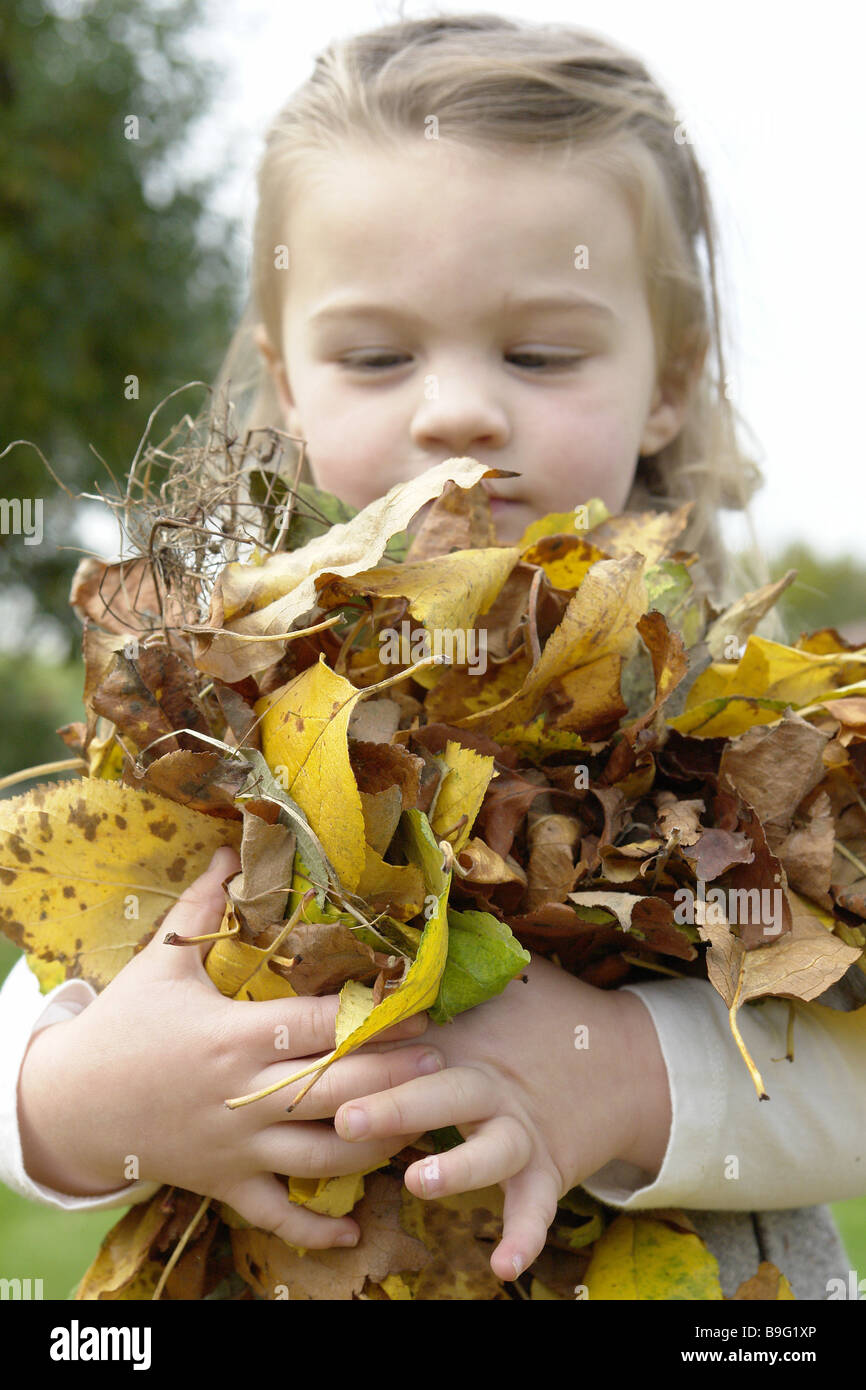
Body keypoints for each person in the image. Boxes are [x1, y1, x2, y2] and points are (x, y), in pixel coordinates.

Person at [2, 13, 864, 1300]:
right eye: (376, 356)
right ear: (289, 386)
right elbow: (55, 996)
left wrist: (624, 1073)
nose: (455, 408)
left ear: (668, 380)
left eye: (537, 353)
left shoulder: (746, 734)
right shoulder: (228, 709)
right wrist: (82, 1103)